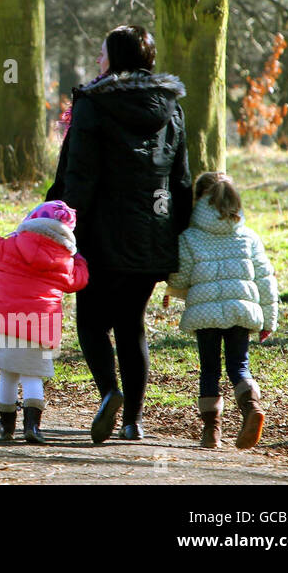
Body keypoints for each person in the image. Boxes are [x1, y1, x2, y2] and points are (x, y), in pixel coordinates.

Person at [47, 25, 192, 443]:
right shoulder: (172, 108)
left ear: (119, 59)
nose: (97, 60)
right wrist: (177, 235)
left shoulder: (93, 104)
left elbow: (81, 175)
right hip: (152, 234)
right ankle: (133, 420)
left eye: (102, 53)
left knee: (91, 321)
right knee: (132, 323)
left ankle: (109, 391)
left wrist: (64, 220)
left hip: (98, 234)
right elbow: (181, 179)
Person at [0, 201, 89, 444]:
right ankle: (33, 427)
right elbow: (77, 282)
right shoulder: (65, 262)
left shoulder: (11, 246)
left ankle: (6, 427)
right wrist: (80, 261)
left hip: (3, 322)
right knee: (32, 377)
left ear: (31, 221)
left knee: (7, 376)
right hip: (38, 326)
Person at [163, 172, 278, 449]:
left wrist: (170, 286)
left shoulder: (190, 237)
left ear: (199, 200)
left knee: (209, 370)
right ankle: (251, 408)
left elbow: (181, 277)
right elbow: (265, 278)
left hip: (207, 315)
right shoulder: (249, 237)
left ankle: (211, 432)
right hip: (241, 310)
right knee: (239, 365)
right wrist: (269, 320)